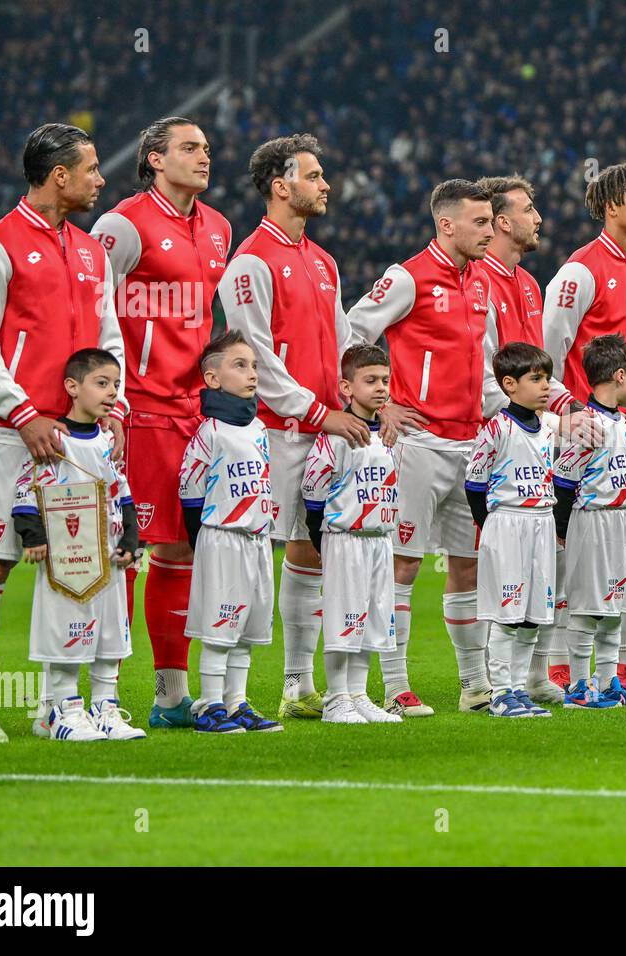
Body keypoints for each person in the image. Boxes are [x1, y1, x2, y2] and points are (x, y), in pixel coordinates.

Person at [0, 122, 126, 744]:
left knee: (79, 566)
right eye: (91, 169)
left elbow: (109, 337)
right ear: (60, 175)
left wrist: (115, 405)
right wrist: (23, 412)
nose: (100, 179)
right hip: (11, 436)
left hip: (80, 441)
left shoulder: (91, 251)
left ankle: (58, 704)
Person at [219, 134, 368, 722]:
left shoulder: (323, 260)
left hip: (325, 430)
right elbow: (253, 357)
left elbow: (341, 348)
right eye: (314, 175)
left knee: (311, 554)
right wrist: (316, 409)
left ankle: (296, 685)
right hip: (274, 431)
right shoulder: (250, 262)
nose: (325, 184)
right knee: (253, 555)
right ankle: (225, 694)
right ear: (281, 187)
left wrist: (361, 403)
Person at [91, 116, 232, 729]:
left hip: (194, 413)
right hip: (139, 410)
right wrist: (105, 399)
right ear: (154, 158)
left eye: (205, 148)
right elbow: (90, 305)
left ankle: (171, 696)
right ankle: (104, 693)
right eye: (189, 148)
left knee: (181, 553)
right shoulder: (121, 225)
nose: (204, 157)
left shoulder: (220, 228)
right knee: (126, 549)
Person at [347, 179, 498, 717]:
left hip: (471, 442)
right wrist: (379, 404)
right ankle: (395, 685)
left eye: (491, 220)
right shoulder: (407, 277)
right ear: (447, 224)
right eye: (480, 222)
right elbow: (353, 329)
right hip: (418, 444)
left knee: (468, 566)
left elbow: (484, 362)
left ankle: (475, 684)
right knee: (403, 564)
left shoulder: (481, 282)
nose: (490, 230)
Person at [544, 162, 626, 697]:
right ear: (610, 205)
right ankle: (556, 661)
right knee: (569, 543)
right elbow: (549, 347)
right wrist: (562, 412)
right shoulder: (579, 271)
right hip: (585, 428)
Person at [477, 174, 584, 705]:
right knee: (475, 571)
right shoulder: (477, 280)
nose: (538, 218)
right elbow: (490, 377)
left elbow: (539, 370)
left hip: (529, 432)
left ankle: (531, 677)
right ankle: (482, 685)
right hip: (483, 435)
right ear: (502, 220)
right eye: (528, 208)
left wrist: (568, 409)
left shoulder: (525, 283)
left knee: (542, 574)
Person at [14, 349, 144, 740]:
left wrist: (132, 537)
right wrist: (34, 535)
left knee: (110, 633)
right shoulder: (54, 440)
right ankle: (62, 709)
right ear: (72, 387)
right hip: (67, 556)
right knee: (68, 629)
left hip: (109, 555)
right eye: (102, 383)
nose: (112, 392)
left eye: (116, 385)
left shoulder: (108, 440)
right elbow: (26, 488)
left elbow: (123, 492)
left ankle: (105, 706)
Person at [179, 330, 282, 732]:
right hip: (222, 537)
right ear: (212, 379)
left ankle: (237, 702)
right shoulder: (210, 433)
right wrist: (203, 541)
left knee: (246, 632)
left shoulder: (258, 429)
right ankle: (208, 704)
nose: (252, 374)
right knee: (220, 629)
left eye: (254, 365)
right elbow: (189, 492)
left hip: (257, 540)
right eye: (240, 365)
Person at [301, 344, 404, 724]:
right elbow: (314, 489)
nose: (380, 388)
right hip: (345, 538)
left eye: (385, 380)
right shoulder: (338, 434)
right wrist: (321, 537)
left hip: (379, 539)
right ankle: (336, 699)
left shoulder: (390, 434)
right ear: (346, 387)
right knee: (344, 618)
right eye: (370, 380)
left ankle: (358, 694)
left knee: (372, 620)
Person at [552, 334, 626, 709]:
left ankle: (608, 681)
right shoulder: (588, 424)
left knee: (614, 607)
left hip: (620, 522)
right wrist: (562, 531)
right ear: (621, 376)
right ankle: (579, 686)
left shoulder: (620, 422)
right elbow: (563, 481)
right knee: (587, 607)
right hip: (592, 521)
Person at [464, 343, 559, 718]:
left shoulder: (548, 429)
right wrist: (493, 528)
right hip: (508, 523)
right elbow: (474, 484)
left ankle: (519, 688)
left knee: (533, 615)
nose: (545, 386)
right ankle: (501, 692)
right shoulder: (497, 429)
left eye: (547, 378)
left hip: (541, 522)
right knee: (508, 614)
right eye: (536, 379)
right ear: (509, 384)